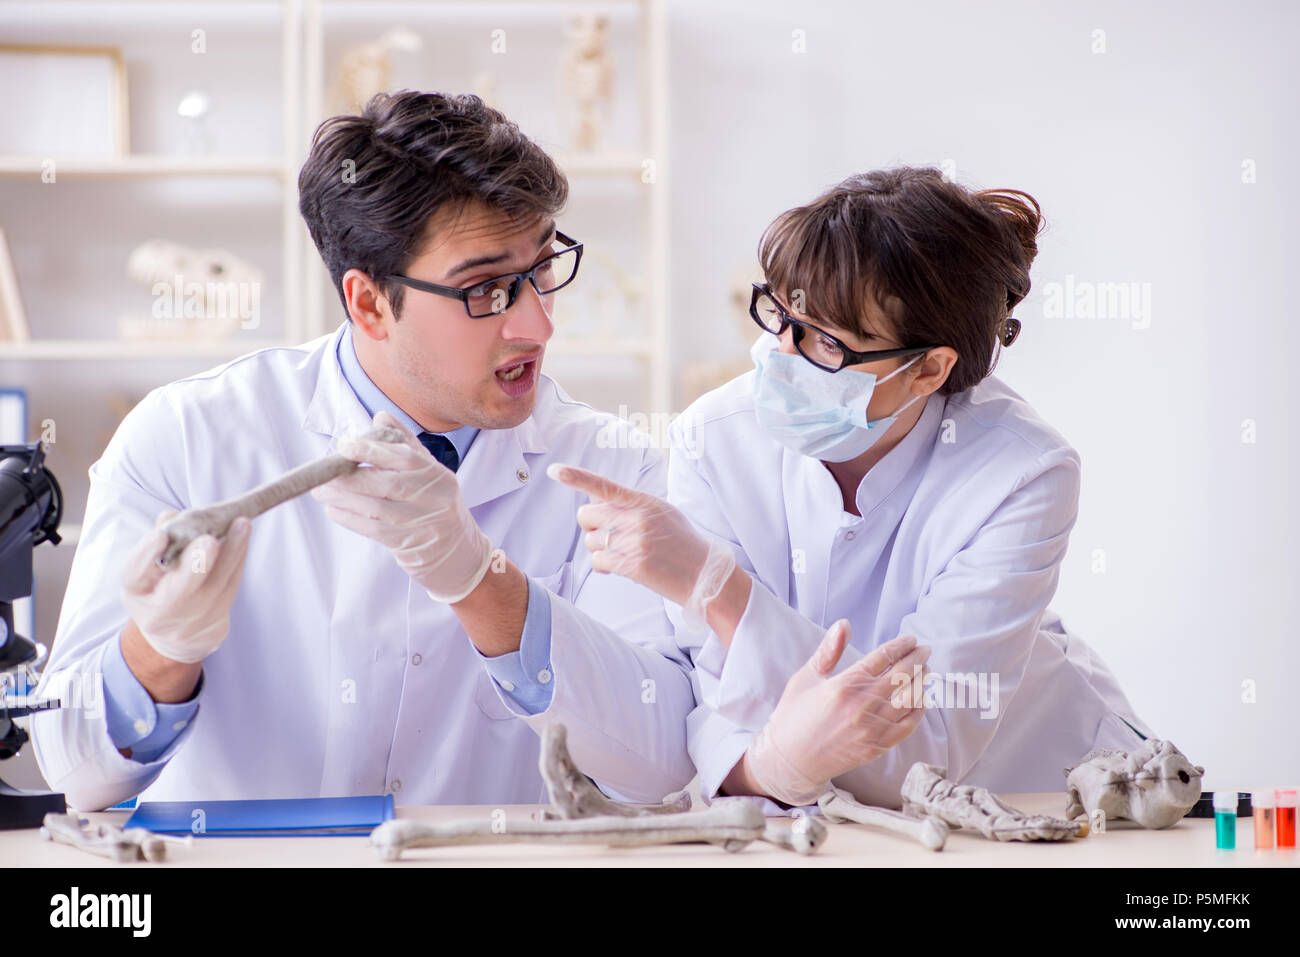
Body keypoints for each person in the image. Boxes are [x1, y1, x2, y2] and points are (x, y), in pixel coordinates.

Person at [31, 91, 697, 811]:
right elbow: (73, 767)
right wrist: (161, 649)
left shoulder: (609, 467)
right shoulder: (187, 437)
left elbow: (660, 760)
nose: (537, 324)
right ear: (369, 302)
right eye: (488, 289)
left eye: (543, 268)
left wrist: (481, 580)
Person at [553, 167, 1155, 810]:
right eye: (781, 313)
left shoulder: (1021, 472)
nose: (779, 353)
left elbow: (927, 747)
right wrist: (771, 767)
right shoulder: (716, 437)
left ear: (928, 368)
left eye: (824, 341)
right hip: (824, 822)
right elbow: (710, 706)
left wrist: (715, 584)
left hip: (1036, 794)